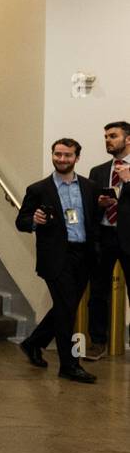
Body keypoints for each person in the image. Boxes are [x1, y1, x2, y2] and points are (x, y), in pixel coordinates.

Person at [16, 138, 100, 383]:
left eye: (67, 155)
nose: (62, 159)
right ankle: (69, 365)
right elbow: (21, 221)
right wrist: (34, 221)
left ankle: (33, 343)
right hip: (56, 258)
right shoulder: (38, 189)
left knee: (67, 307)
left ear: (77, 158)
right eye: (58, 154)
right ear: (52, 155)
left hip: (83, 256)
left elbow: (93, 220)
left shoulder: (89, 187)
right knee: (66, 309)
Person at [85, 120, 130, 360]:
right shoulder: (99, 171)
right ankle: (98, 342)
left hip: (129, 238)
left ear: (128, 139)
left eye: (113, 136)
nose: (108, 140)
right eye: (106, 137)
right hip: (104, 236)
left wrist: (129, 181)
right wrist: (99, 205)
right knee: (98, 292)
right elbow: (91, 205)